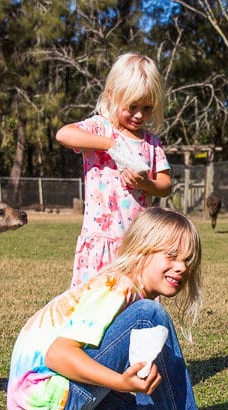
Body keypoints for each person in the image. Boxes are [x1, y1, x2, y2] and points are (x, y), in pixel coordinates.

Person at [0, 207, 228, 410]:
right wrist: (121, 383)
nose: (182, 267)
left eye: (188, 260)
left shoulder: (129, 295)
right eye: (171, 255)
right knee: (149, 315)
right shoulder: (118, 287)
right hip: (48, 402)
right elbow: (57, 355)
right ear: (141, 251)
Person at [56, 51, 172, 289]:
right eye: (132, 106)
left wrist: (145, 185)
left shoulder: (151, 142)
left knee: (134, 299)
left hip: (136, 242)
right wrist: (110, 144)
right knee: (93, 304)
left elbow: (164, 185)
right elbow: (64, 134)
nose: (139, 115)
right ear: (111, 95)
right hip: (100, 240)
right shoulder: (99, 128)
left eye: (147, 108)